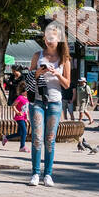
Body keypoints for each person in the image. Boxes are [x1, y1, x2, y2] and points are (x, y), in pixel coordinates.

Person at [26, 23, 70, 186]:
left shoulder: (64, 59)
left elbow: (67, 84)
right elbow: (29, 77)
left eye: (53, 38)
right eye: (47, 38)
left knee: (50, 139)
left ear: (58, 39)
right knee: (37, 138)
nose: (49, 41)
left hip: (55, 102)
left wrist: (57, 74)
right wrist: (39, 72)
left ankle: (48, 174)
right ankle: (35, 173)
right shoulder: (37, 55)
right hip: (37, 101)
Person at [2, 82, 29, 150]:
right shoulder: (20, 97)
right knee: (24, 131)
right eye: (27, 91)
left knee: (20, 133)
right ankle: (22, 147)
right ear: (25, 91)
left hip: (24, 118)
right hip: (19, 117)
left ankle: (6, 137)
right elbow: (13, 105)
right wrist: (17, 112)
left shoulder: (27, 98)